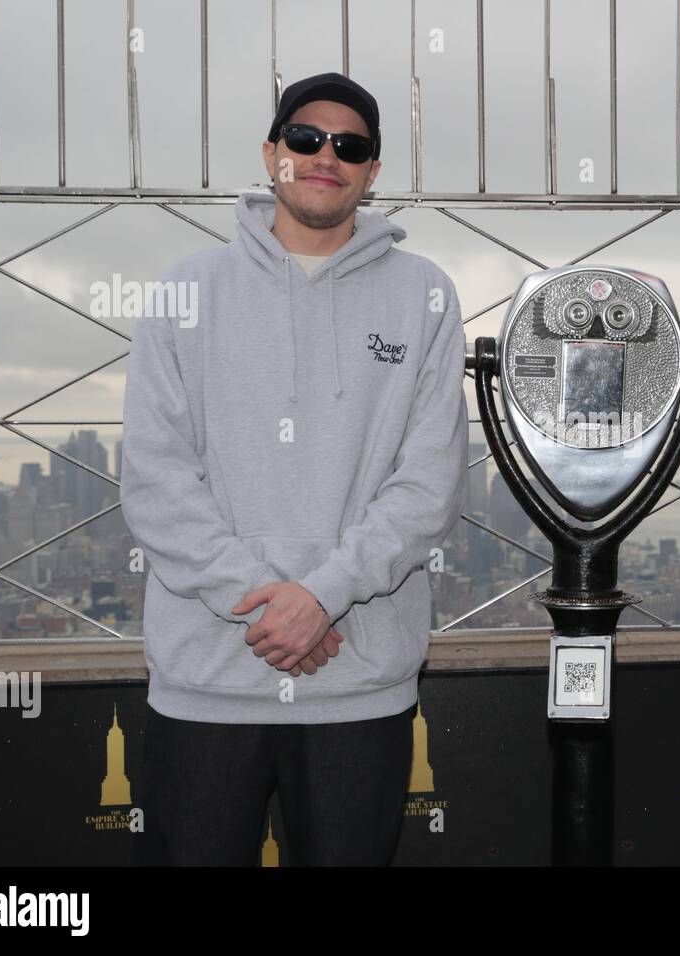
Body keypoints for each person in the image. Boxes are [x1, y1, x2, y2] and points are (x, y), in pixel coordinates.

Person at [121, 73, 468, 865]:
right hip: (207, 686)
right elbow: (154, 478)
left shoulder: (426, 296)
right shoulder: (186, 291)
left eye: (350, 145)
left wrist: (323, 598)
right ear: (271, 153)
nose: (325, 156)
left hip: (358, 688)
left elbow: (430, 482)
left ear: (372, 172)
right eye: (306, 138)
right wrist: (273, 609)